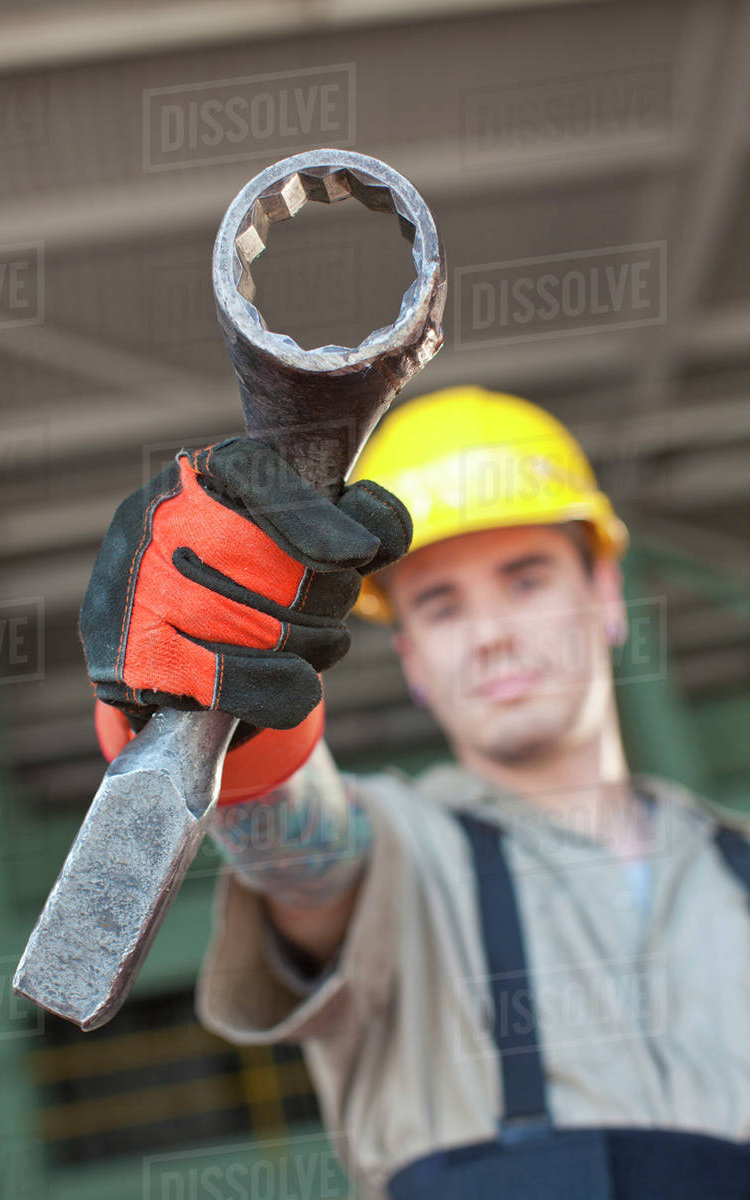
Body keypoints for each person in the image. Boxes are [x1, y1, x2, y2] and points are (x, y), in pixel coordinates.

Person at [82, 386, 750, 1199]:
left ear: (606, 594)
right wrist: (204, 704)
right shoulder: (397, 854)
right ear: (412, 659)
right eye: (441, 604)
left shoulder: (737, 865)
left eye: (526, 579)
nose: (492, 632)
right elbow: (298, 848)